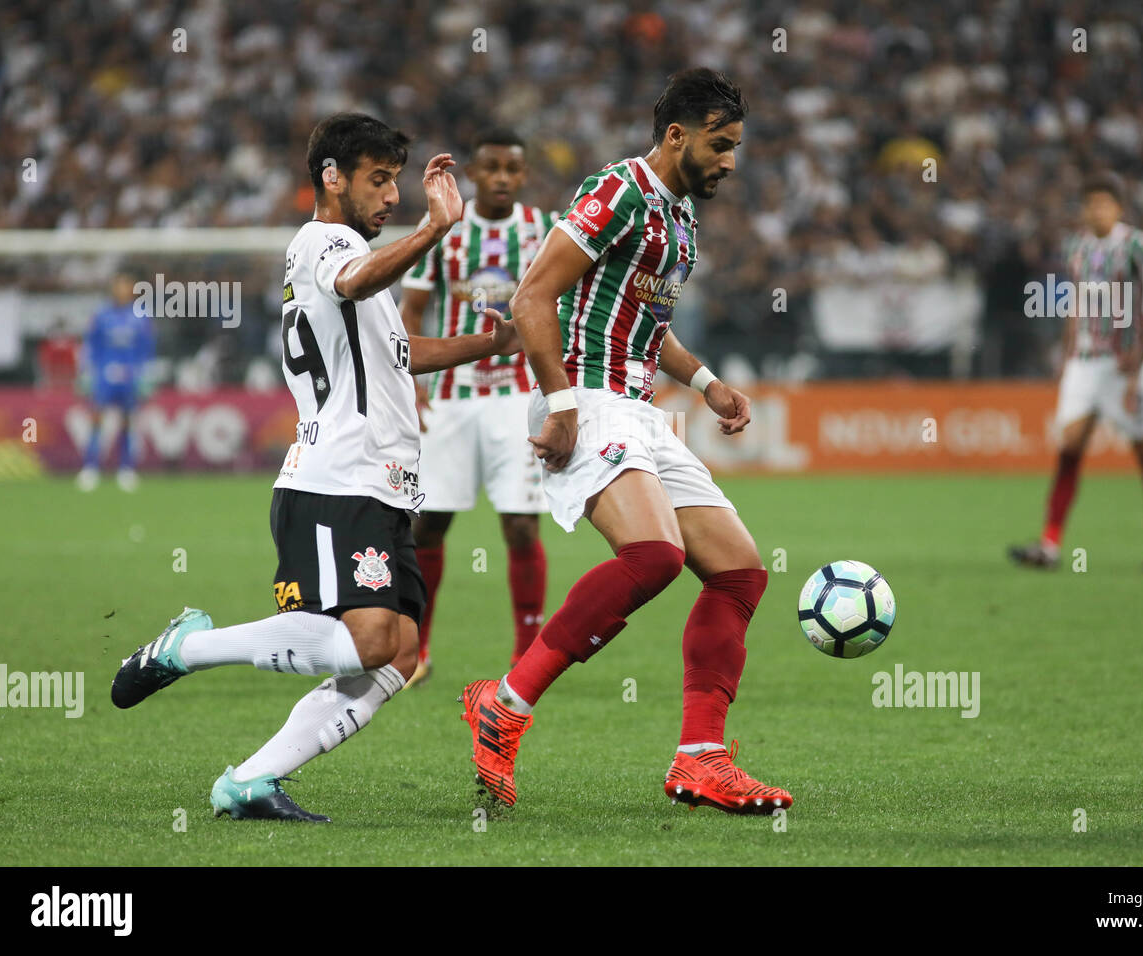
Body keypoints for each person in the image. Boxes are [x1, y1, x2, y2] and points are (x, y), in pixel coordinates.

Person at [111, 113, 519, 822]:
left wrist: (488, 343)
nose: (391, 195)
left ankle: (249, 782)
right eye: (379, 179)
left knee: (400, 654)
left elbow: (399, 355)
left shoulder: (349, 261)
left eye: (395, 181)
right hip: (336, 478)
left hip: (382, 485)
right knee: (366, 644)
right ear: (332, 178)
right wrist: (433, 230)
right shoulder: (325, 242)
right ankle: (190, 646)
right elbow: (358, 281)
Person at [459, 68, 792, 814]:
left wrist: (706, 383)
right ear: (676, 136)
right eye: (720, 144)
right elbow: (532, 295)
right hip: (586, 398)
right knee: (655, 556)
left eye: (736, 146)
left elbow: (645, 322)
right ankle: (505, 704)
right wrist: (561, 404)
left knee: (739, 572)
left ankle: (700, 758)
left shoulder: (679, 216)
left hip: (638, 408)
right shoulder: (618, 192)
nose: (730, 162)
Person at [398, 128, 553, 685]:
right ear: (475, 174)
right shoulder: (445, 229)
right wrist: (410, 385)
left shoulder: (542, 230)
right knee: (429, 524)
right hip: (450, 397)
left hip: (517, 396)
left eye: (513, 168)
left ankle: (527, 657)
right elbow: (410, 313)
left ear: (523, 174)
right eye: (491, 168)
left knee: (519, 526)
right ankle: (417, 648)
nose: (502, 178)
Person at [1009, 173, 1143, 569]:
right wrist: (1065, 354)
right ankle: (1049, 543)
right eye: (1091, 203)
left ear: (1118, 208)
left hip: (1122, 364)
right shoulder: (1076, 246)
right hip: (1084, 360)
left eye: (1104, 203)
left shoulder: (1136, 244)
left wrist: (1142, 354)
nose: (1097, 210)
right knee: (1069, 445)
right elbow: (1073, 301)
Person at [76, 275, 155, 492]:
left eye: (126, 287)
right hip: (104, 374)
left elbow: (146, 348)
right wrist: (87, 371)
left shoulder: (140, 317)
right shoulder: (101, 315)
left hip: (129, 376)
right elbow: (91, 344)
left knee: (128, 421)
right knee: (96, 418)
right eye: (119, 287)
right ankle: (90, 467)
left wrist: (144, 375)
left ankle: (126, 468)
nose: (122, 291)